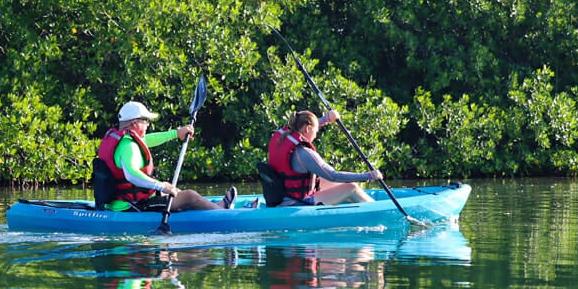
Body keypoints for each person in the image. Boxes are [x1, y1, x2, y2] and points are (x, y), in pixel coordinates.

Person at [97, 101, 237, 211]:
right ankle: (224, 213)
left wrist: (177, 133)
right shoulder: (129, 147)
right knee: (189, 196)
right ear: (134, 123)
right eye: (145, 121)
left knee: (176, 192)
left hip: (128, 200)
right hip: (131, 206)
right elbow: (132, 175)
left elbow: (149, 140)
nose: (147, 125)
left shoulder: (126, 140)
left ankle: (217, 206)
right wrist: (161, 186)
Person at [267, 109, 382, 206]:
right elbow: (333, 176)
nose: (316, 135)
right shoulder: (304, 153)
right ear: (307, 129)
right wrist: (368, 176)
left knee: (326, 181)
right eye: (316, 131)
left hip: (284, 196)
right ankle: (378, 210)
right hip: (296, 202)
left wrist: (327, 118)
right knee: (352, 188)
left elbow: (310, 124)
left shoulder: (282, 137)